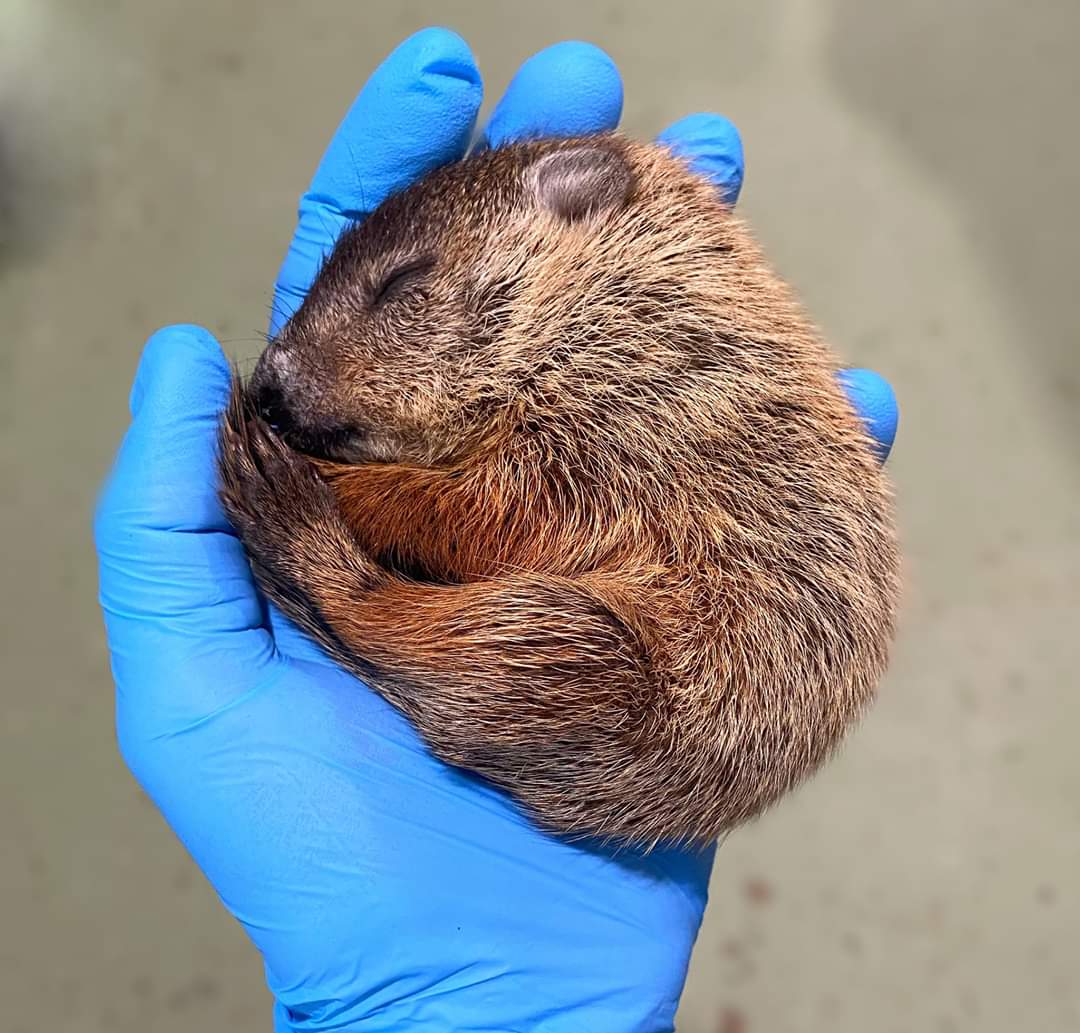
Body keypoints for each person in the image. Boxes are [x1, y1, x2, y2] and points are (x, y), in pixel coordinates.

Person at [94, 28, 898, 1033]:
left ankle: (349, 597)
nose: (301, 360)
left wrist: (333, 515)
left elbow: (516, 519)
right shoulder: (553, 366)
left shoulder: (633, 340)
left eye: (400, 293)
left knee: (570, 649)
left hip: (673, 692)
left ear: (574, 199)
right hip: (597, 666)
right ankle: (352, 595)